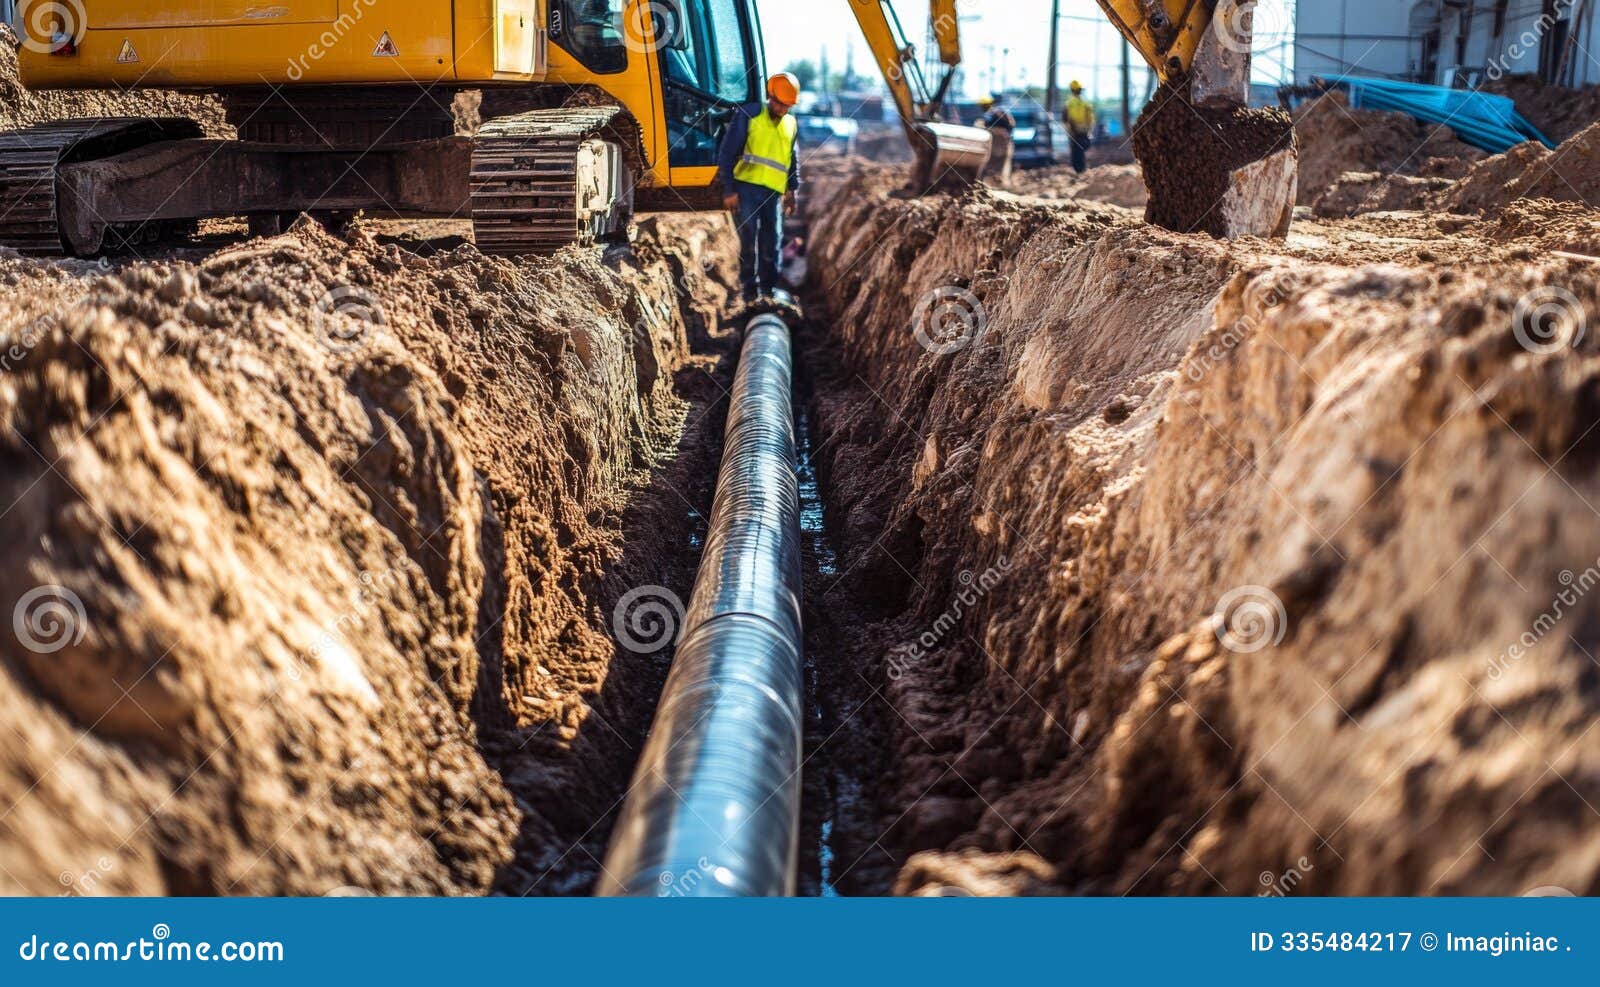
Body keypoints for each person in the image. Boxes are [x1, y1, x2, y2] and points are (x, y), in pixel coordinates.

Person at [719, 72, 802, 302]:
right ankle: (749, 295)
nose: (782, 109)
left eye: (787, 106)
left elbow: (791, 160)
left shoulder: (791, 124)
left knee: (771, 245)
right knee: (748, 245)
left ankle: (768, 292)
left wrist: (792, 191)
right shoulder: (751, 114)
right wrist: (729, 189)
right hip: (746, 190)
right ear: (770, 96)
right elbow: (727, 152)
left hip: (772, 194)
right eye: (779, 103)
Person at [976, 95, 1016, 186]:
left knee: (993, 164)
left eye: (983, 106)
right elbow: (1011, 125)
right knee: (1001, 165)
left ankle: (996, 184)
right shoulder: (998, 113)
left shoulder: (992, 115)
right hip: (1003, 142)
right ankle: (997, 184)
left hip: (998, 143)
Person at [1065, 80, 1096, 174]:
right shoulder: (1085, 103)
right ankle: (1082, 169)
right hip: (1084, 130)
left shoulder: (1069, 103)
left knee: (1075, 151)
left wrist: (1069, 130)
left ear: (1072, 90)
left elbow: (1066, 118)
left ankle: (1078, 169)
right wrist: (1090, 130)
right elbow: (1091, 118)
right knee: (1081, 149)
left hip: (1073, 131)